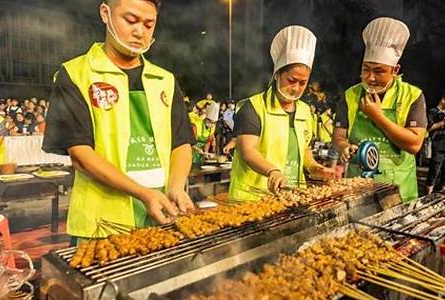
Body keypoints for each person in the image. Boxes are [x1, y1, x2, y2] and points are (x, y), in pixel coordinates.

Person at [42, 0, 195, 242]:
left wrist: (176, 185)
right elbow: (81, 154)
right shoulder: (76, 74)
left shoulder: (164, 80)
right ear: (106, 13)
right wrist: (142, 193)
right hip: (102, 222)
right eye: (131, 20)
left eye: (148, 24)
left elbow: (181, 143)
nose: (139, 32)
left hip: (162, 213)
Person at [229, 25, 335, 201]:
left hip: (292, 198)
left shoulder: (305, 111)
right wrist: (272, 171)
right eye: (292, 80)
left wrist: (314, 167)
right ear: (277, 74)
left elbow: (305, 150)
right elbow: (247, 150)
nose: (296, 88)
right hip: (252, 199)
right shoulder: (253, 107)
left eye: (303, 83)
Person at [333, 17, 427, 202]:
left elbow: (414, 144)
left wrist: (377, 116)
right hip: (356, 187)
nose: (370, 78)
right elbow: (338, 137)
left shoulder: (412, 95)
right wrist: (343, 147)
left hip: (398, 189)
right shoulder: (350, 95)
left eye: (379, 71)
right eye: (365, 69)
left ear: (395, 69)